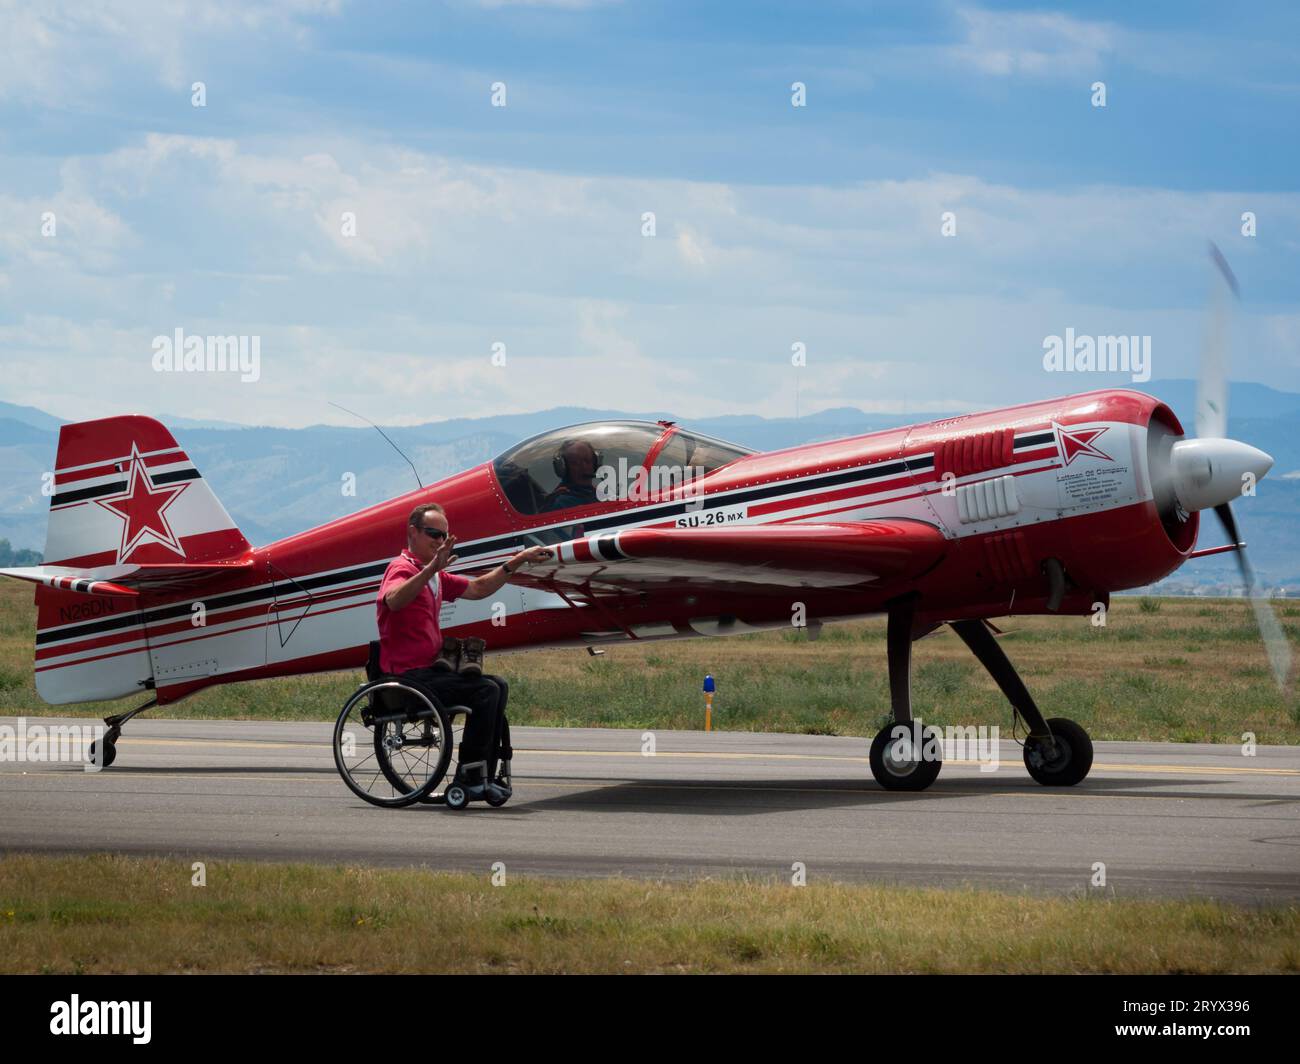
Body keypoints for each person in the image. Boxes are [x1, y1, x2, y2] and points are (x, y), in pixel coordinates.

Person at [376, 503, 551, 805]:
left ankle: (485, 773)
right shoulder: (402, 568)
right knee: (484, 691)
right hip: (407, 677)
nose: (439, 541)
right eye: (433, 533)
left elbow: (479, 588)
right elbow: (393, 600)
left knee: (498, 685)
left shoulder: (433, 576)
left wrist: (517, 561)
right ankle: (469, 776)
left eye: (444, 535)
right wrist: (432, 568)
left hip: (430, 673)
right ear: (413, 532)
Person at [542, 439, 600, 511]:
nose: (584, 467)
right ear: (564, 468)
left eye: (587, 460)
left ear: (595, 463)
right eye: (575, 463)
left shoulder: (598, 494)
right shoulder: (562, 503)